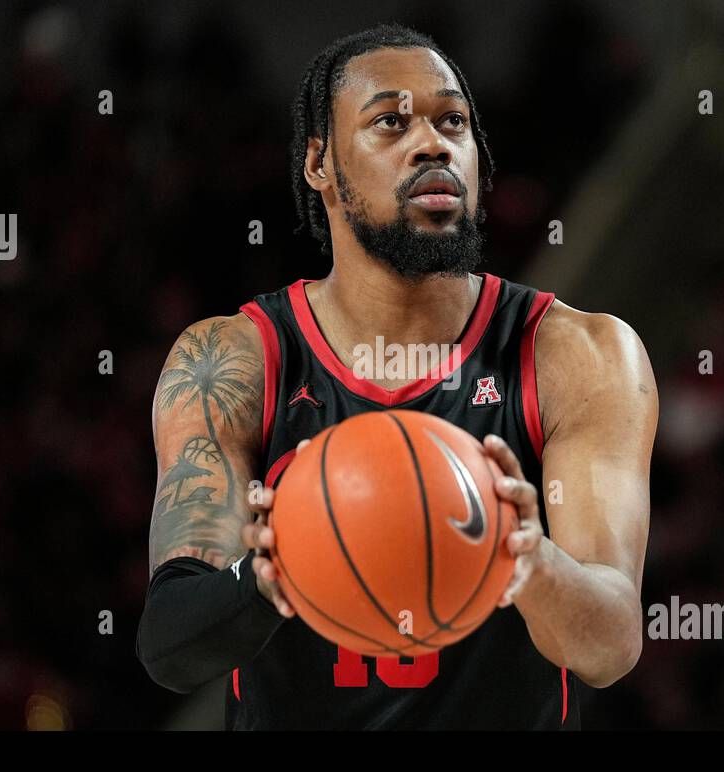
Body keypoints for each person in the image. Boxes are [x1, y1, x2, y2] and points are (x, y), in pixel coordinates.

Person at [137, 23, 658, 729]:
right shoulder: (233, 361)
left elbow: (610, 643)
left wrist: (531, 561)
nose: (432, 143)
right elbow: (171, 646)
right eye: (390, 121)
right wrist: (263, 580)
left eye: (453, 121)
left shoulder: (578, 354)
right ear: (319, 163)